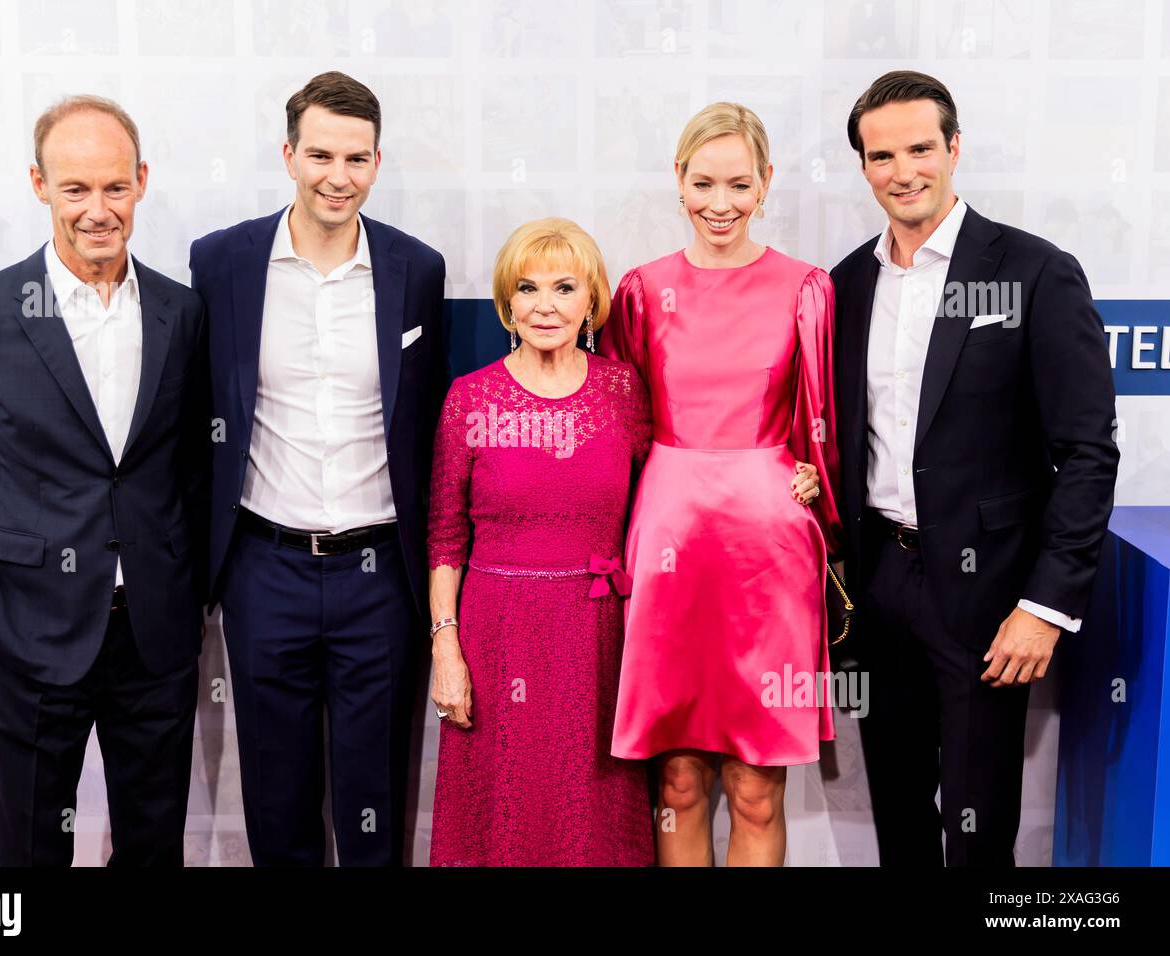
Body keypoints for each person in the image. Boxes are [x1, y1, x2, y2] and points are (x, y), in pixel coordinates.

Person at [830, 71, 1119, 865]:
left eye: (921, 148)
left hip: (990, 595)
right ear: (864, 168)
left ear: (954, 149)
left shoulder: (1032, 271)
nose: (904, 171)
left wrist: (1046, 606)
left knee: (978, 822)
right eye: (882, 155)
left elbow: (1088, 451)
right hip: (878, 585)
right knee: (897, 809)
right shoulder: (848, 283)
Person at [0, 95, 209, 866]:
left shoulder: (182, 313)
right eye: (75, 189)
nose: (97, 210)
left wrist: (193, 588)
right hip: (30, 630)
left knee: (152, 848)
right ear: (39, 185)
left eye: (114, 187)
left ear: (141, 182)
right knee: (34, 849)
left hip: (155, 635)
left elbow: (196, 463)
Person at [189, 71, 447, 866]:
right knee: (277, 798)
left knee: (376, 798)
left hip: (381, 575)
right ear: (289, 154)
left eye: (358, 159)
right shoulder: (222, 261)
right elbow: (197, 418)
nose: (340, 177)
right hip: (264, 569)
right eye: (323, 155)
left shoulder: (418, 269)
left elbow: (428, 428)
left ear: (377, 161)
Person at [602, 102, 837, 867]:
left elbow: (822, 421)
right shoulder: (639, 291)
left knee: (758, 786)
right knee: (675, 780)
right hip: (667, 540)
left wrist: (815, 479)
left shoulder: (807, 289)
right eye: (703, 182)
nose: (720, 203)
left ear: (766, 183)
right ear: (678, 181)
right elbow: (620, 431)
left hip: (768, 548)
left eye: (739, 183)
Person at [427, 218, 654, 866]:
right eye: (527, 288)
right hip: (496, 639)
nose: (545, 305)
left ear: (592, 302)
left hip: (598, 638)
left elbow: (664, 502)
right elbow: (445, 535)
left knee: (591, 820)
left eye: (564, 287)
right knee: (501, 815)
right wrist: (446, 647)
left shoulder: (623, 393)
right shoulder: (469, 399)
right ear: (507, 301)